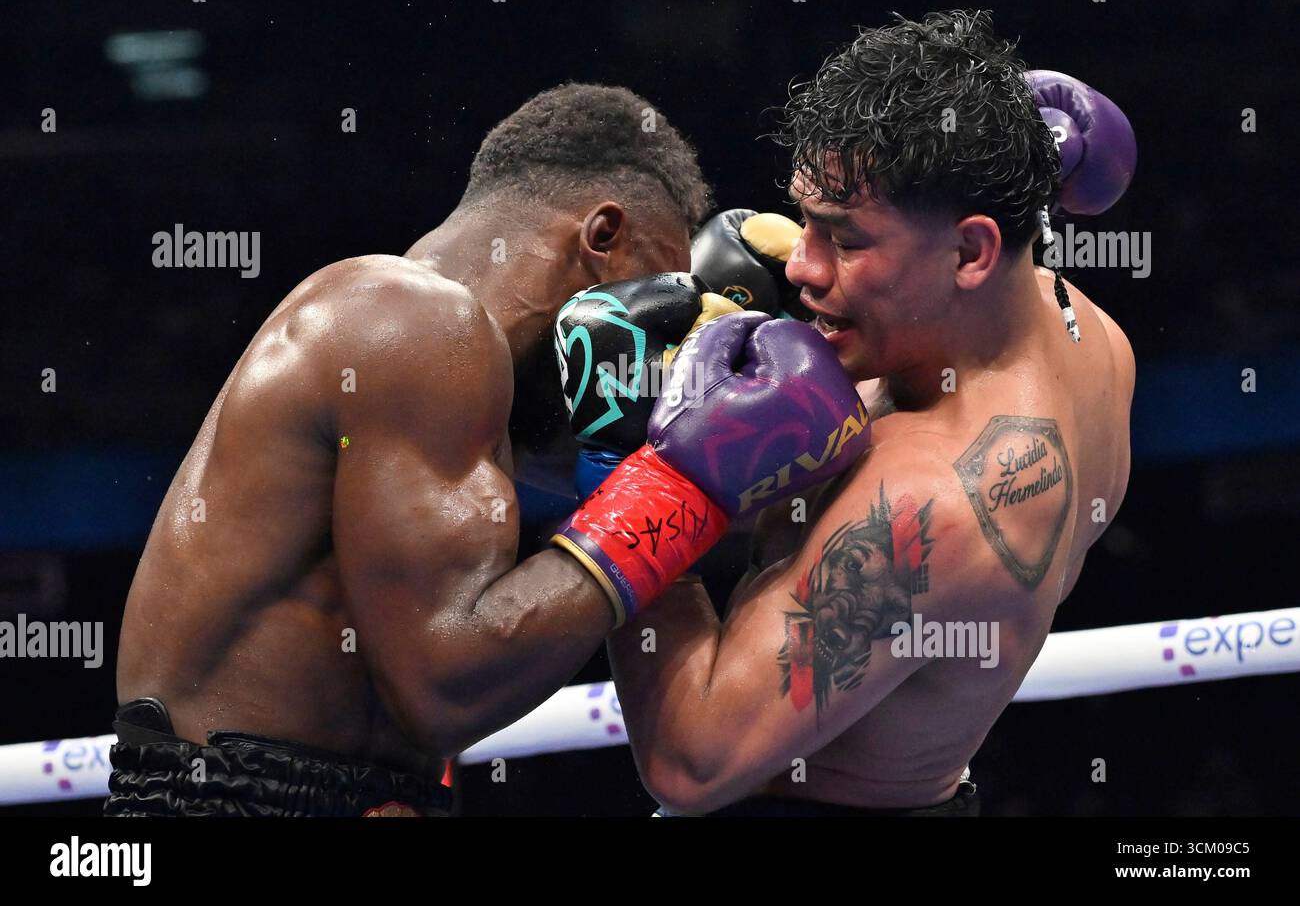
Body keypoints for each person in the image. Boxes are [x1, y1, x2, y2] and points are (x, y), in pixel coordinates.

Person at [108, 81, 870, 816]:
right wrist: (679, 483)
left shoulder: (461, 391)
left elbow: (612, 525)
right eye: (661, 286)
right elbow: (448, 684)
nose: (662, 339)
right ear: (603, 237)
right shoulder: (413, 319)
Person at [602, 10, 1138, 816]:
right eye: (805, 221)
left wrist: (629, 469)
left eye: (844, 240)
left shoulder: (939, 500)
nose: (801, 264)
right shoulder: (1090, 332)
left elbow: (692, 763)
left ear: (970, 252)